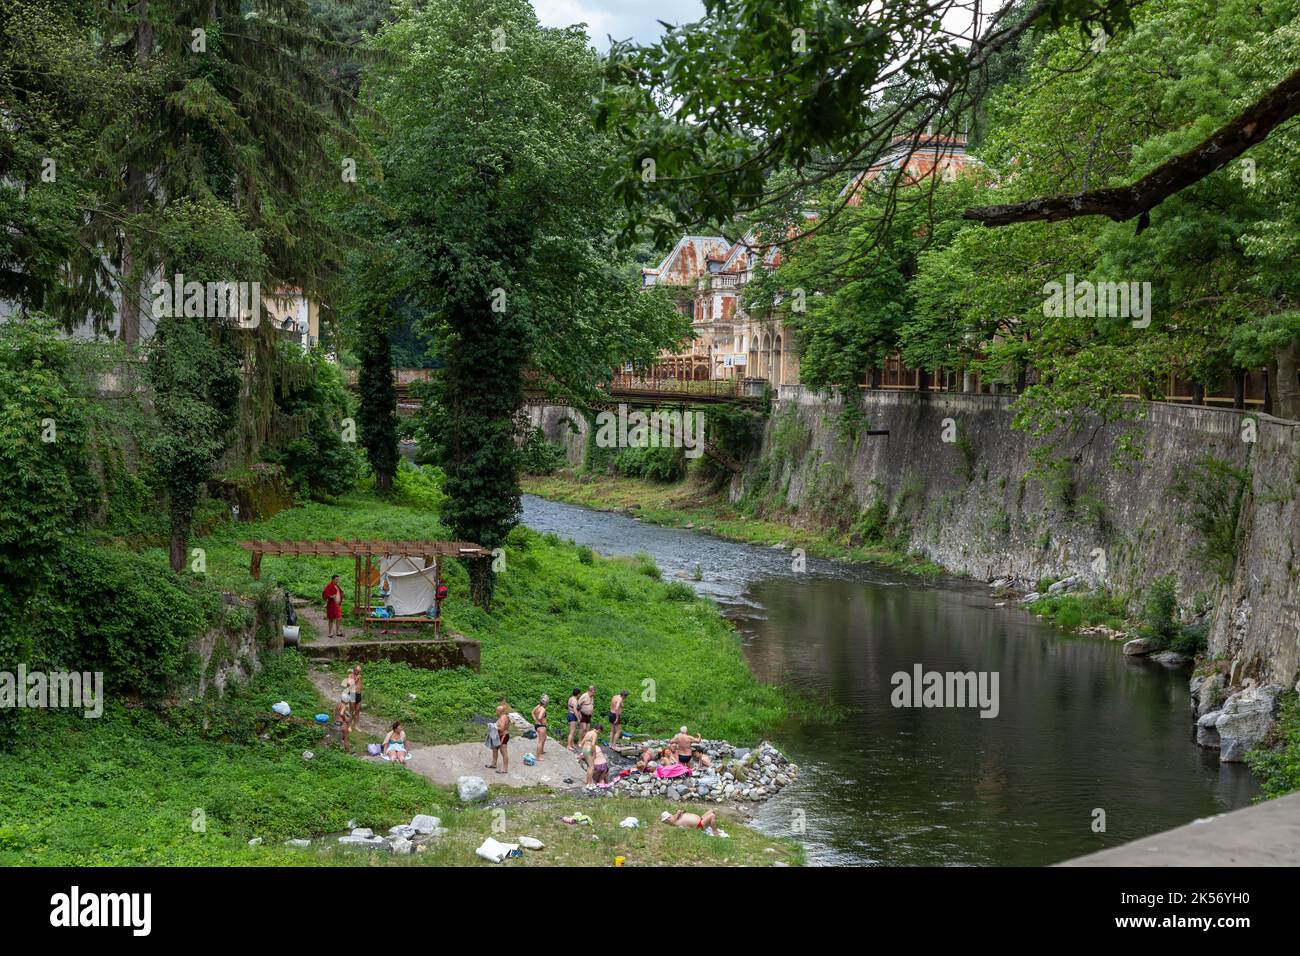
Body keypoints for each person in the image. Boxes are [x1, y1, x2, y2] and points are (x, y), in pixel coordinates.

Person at [486, 704, 511, 774]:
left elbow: (502, 728)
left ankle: (505, 769)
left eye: (496, 710)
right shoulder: (500, 718)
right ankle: (493, 764)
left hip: (503, 736)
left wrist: (494, 727)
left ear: (499, 711)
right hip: (498, 736)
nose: (495, 711)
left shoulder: (503, 718)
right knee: (494, 749)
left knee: (504, 752)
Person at [322, 574, 345, 638]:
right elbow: (325, 593)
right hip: (331, 605)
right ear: (332, 579)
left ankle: (338, 632)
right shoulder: (329, 586)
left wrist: (342, 594)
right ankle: (330, 633)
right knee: (331, 619)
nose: (337, 581)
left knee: (339, 618)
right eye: (336, 579)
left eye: (338, 579)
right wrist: (331, 596)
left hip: (337, 605)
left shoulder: (337, 586)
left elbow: (339, 593)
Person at [531, 695, 549, 759]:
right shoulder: (543, 709)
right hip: (541, 726)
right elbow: (540, 717)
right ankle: (538, 756)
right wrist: (540, 721)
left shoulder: (538, 706)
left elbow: (532, 712)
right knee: (540, 741)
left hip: (537, 725)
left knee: (544, 738)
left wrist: (535, 720)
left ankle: (541, 750)